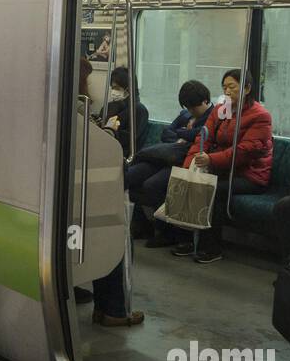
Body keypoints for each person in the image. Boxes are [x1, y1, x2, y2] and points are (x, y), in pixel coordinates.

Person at [168, 69, 274, 264]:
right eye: (224, 87)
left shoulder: (260, 116)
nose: (227, 91)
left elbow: (245, 151)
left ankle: (212, 247)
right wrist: (188, 165)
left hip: (250, 175)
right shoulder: (220, 110)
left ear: (247, 88)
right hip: (222, 167)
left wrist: (211, 160)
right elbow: (203, 137)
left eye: (232, 87)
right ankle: (187, 239)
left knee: (213, 189)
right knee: (186, 181)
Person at [74, 58, 143, 327]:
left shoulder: (135, 110)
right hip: (87, 185)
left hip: (79, 184)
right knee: (112, 239)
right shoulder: (78, 106)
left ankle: (105, 307)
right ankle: (113, 309)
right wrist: (109, 133)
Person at [129, 79, 212, 242]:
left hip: (184, 161)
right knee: (129, 176)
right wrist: (183, 135)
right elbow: (166, 132)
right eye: (187, 108)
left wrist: (182, 134)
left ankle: (165, 231)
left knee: (152, 185)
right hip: (165, 157)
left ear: (205, 101)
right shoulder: (186, 115)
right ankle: (142, 224)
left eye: (193, 107)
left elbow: (199, 137)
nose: (191, 111)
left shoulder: (212, 118)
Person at [102, 66, 149, 156]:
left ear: (128, 89)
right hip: (107, 149)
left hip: (125, 154)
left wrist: (112, 132)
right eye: (113, 88)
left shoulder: (139, 110)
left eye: (117, 88)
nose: (113, 91)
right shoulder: (109, 106)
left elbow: (131, 138)